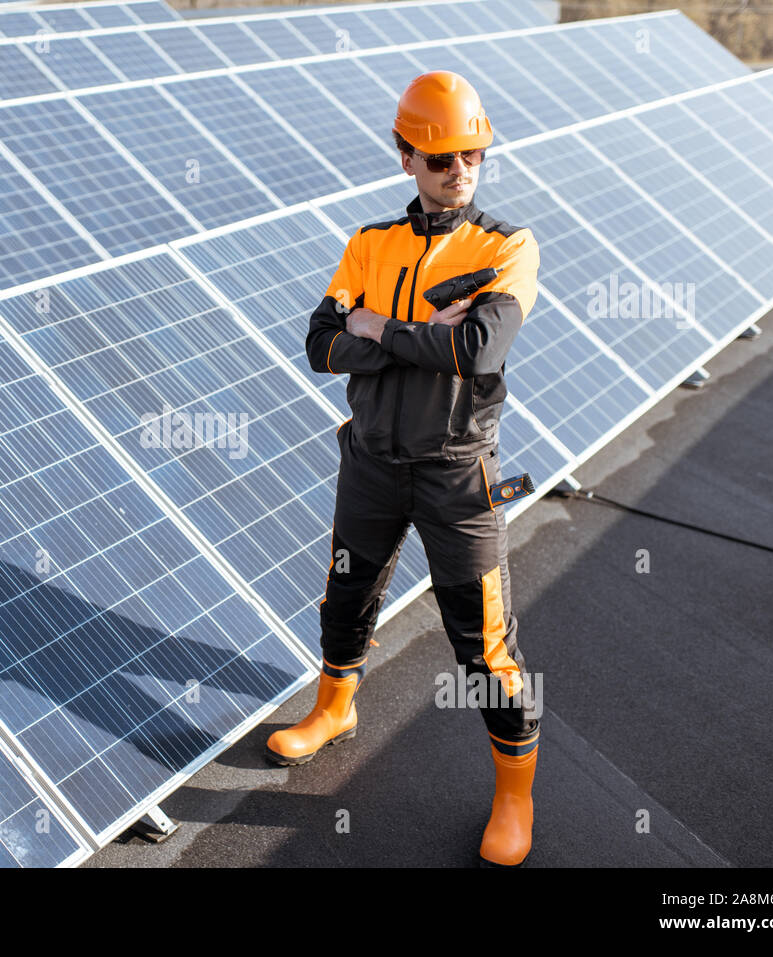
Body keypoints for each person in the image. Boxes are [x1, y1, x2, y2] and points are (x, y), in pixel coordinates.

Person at [265, 71, 542, 867]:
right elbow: (320, 346)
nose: (461, 170)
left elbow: (479, 348)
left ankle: (514, 794)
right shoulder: (368, 243)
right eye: (441, 157)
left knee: (482, 646)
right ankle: (334, 708)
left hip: (458, 477)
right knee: (347, 593)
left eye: (474, 155)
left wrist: (377, 327)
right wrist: (419, 331)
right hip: (372, 464)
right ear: (406, 158)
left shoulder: (508, 246)